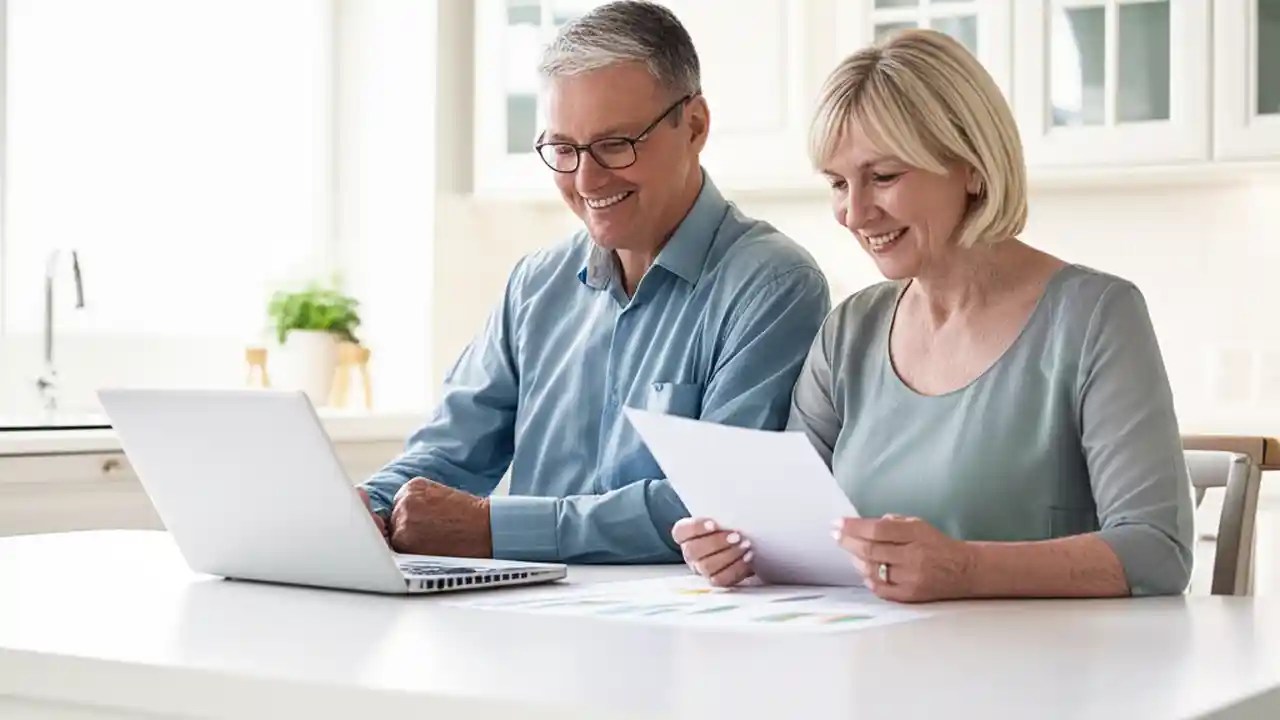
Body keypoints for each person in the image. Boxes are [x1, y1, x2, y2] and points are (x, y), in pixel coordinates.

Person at [674, 29, 1194, 601]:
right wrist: (740, 549)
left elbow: (1156, 551)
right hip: (880, 667)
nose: (854, 211)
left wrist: (964, 569)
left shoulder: (1096, 317)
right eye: (838, 183)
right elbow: (798, 529)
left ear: (970, 167)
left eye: (884, 176)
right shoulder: (850, 332)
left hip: (1049, 675)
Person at [357, 1, 830, 563]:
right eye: (563, 149)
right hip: (524, 620)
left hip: (680, 632)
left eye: (614, 145)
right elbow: (447, 451)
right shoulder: (535, 286)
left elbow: (721, 507)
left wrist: (494, 529)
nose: (585, 179)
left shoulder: (774, 287)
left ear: (695, 126)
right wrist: (360, 506)